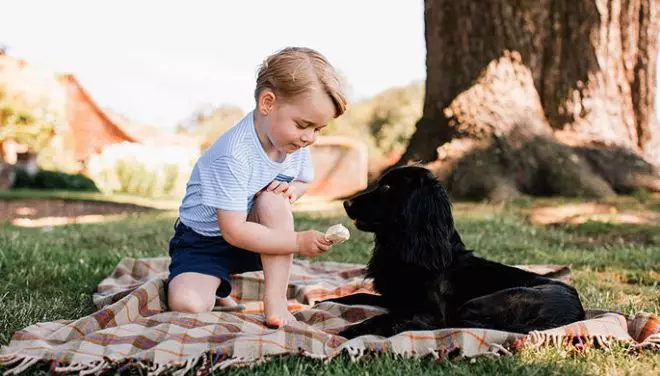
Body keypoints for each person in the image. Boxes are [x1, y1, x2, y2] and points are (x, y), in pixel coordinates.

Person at [167, 46, 348, 328]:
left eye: (318, 129)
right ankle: (214, 283)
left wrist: (291, 192)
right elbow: (233, 230)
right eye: (304, 125)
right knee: (188, 305)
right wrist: (298, 241)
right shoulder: (233, 154)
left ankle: (275, 301)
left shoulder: (293, 142)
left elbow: (301, 180)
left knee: (274, 201)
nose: (310, 137)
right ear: (267, 103)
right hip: (206, 240)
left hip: (257, 233)